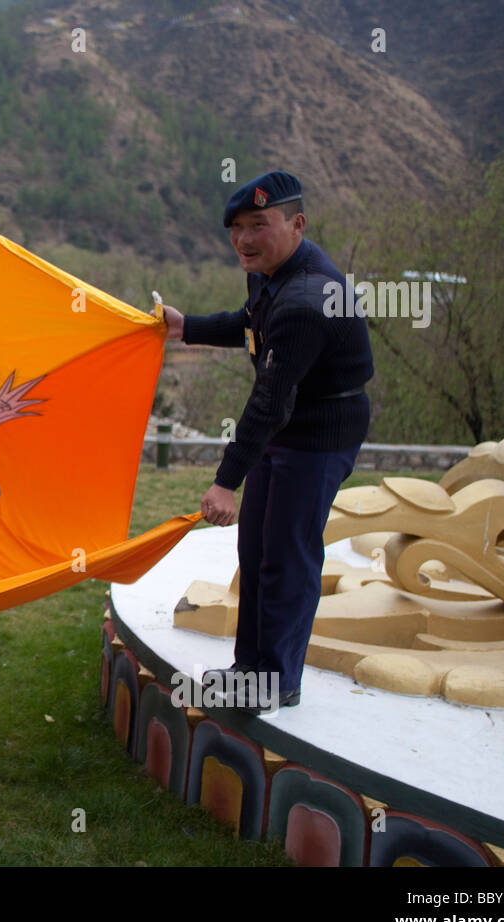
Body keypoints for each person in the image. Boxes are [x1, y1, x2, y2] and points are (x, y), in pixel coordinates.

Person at [162, 170, 373, 715]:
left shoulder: (309, 297)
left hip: (318, 433)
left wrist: (226, 481)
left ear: (296, 223)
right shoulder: (273, 271)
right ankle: (248, 668)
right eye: (235, 228)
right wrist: (188, 328)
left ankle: (278, 680)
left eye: (258, 224)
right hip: (286, 426)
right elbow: (252, 323)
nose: (243, 239)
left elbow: (269, 402)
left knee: (288, 554)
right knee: (255, 548)